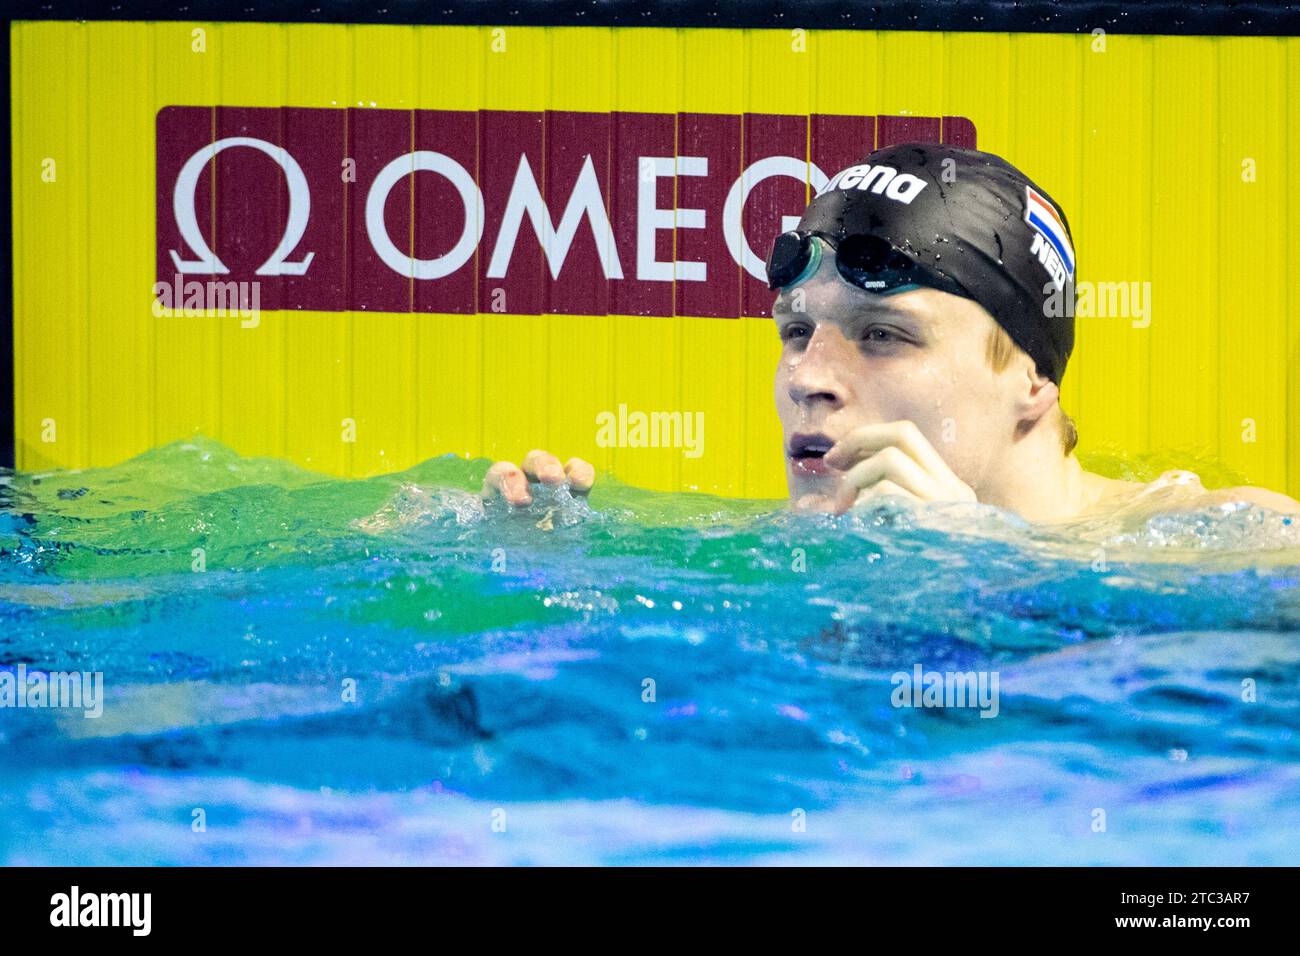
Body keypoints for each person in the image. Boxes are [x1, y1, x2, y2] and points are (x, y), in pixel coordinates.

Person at [483, 143, 1300, 522]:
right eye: (796, 330)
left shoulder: (1230, 542)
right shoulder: (787, 553)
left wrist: (976, 567)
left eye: (881, 334)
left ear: (1032, 380)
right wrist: (539, 584)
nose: (809, 377)